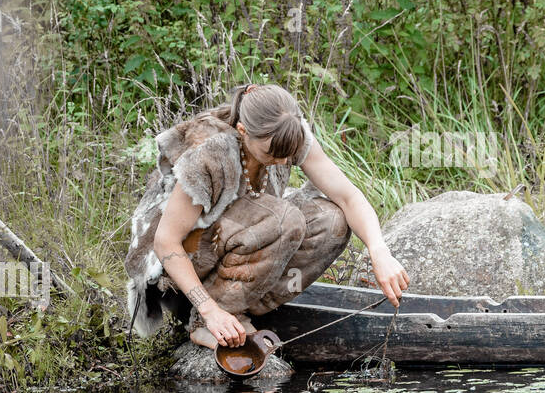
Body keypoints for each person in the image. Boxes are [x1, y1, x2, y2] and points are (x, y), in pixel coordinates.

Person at [125, 83, 410, 351]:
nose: (285, 162)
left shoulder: (287, 135)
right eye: (273, 154)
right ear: (242, 130)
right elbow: (166, 243)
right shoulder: (208, 152)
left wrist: (378, 249)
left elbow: (348, 197)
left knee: (331, 221)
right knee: (283, 218)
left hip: (232, 251)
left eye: (289, 154)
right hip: (180, 270)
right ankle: (206, 320)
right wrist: (208, 309)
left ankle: (242, 307)